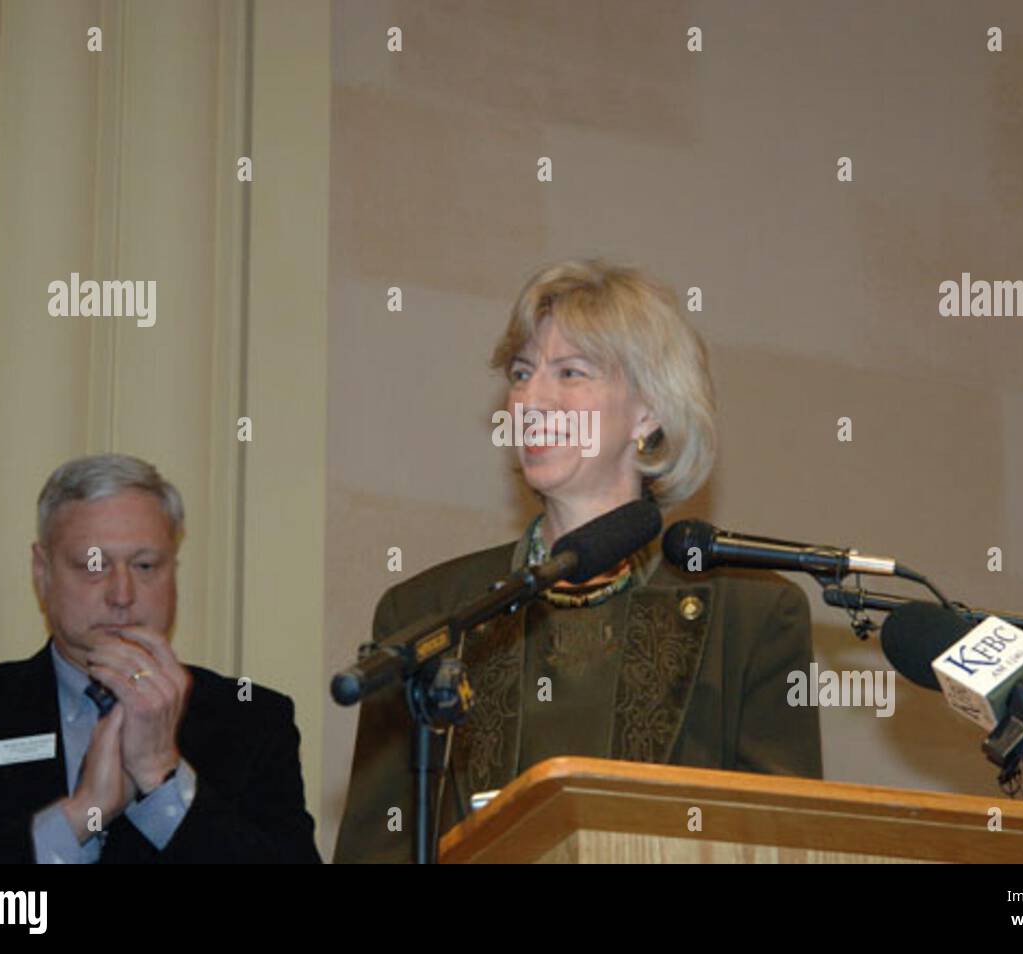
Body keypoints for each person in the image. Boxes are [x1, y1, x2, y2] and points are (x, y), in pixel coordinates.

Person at [334, 259, 823, 863]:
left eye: (571, 372)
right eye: (521, 373)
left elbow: (784, 849)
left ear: (648, 412)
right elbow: (374, 852)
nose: (531, 399)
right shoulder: (429, 614)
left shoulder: (751, 615)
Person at [0, 454, 321, 862]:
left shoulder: (252, 720)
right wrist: (79, 817)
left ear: (174, 571)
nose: (122, 596)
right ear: (41, 573)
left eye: (145, 565)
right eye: (92, 565)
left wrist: (162, 780)